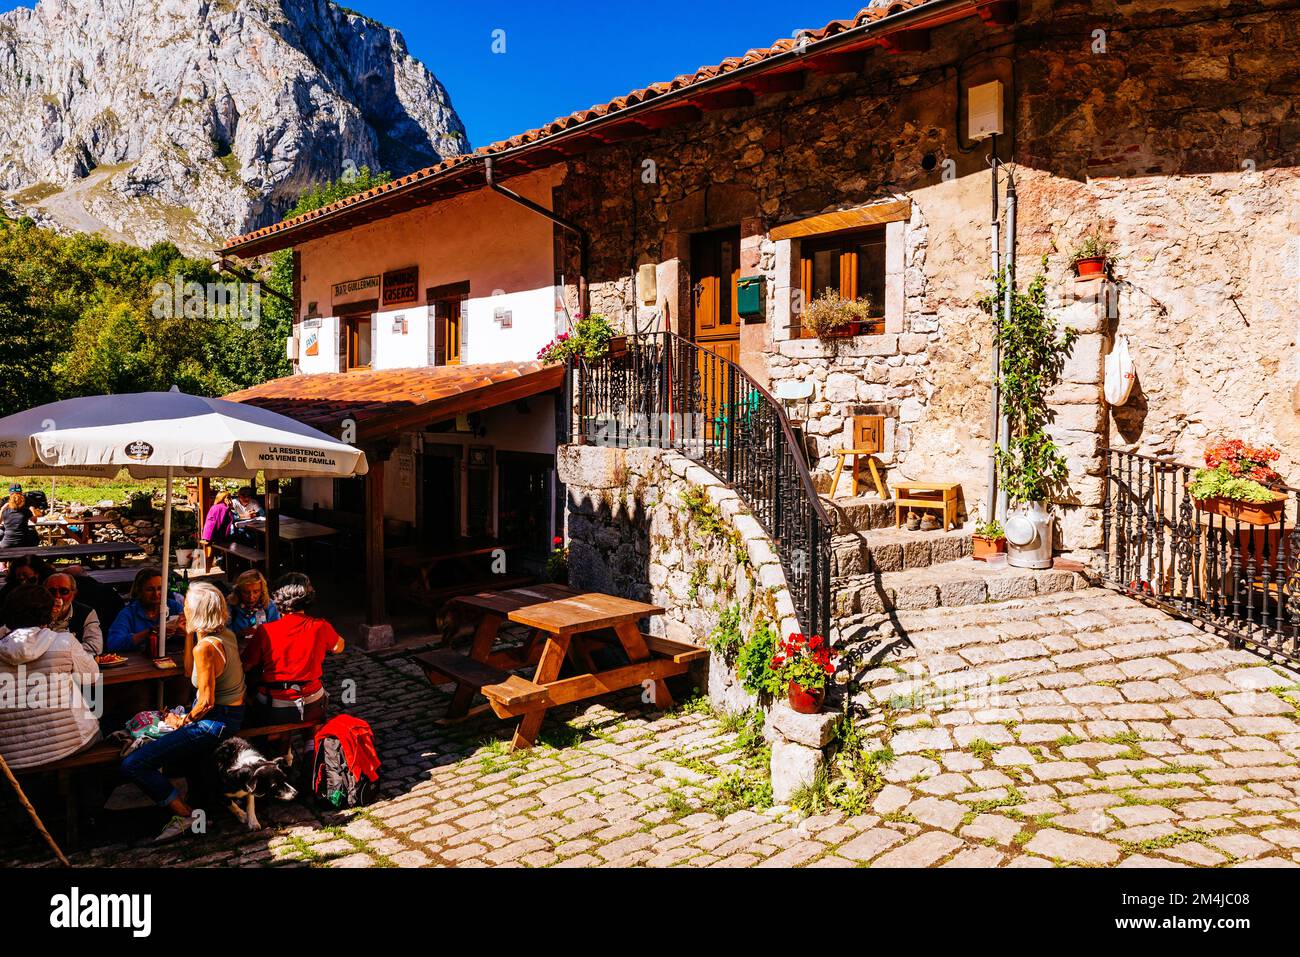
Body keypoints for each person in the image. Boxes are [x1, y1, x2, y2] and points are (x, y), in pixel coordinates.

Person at [120, 582, 245, 842]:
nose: (182, 606)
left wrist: (184, 721)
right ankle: (198, 803)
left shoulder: (207, 648)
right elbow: (190, 671)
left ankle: (186, 815)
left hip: (215, 721)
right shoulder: (223, 635)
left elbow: (207, 702)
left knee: (135, 763)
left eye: (187, 603)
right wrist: (190, 632)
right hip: (229, 715)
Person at [0, 584, 101, 770]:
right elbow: (92, 677)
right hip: (71, 742)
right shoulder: (64, 642)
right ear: (48, 613)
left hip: (11, 755)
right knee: (99, 728)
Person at [241, 573, 342, 725]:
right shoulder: (321, 626)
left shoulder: (265, 631)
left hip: (274, 705)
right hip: (312, 703)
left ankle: (275, 744)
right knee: (313, 703)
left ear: (278, 598)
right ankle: (309, 743)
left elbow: (246, 665)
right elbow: (338, 647)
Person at [104, 567, 183, 654]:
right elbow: (113, 644)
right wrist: (150, 632)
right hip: (138, 664)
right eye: (150, 589)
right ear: (139, 591)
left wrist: (185, 631)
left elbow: (196, 634)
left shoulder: (173, 606)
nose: (156, 594)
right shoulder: (129, 613)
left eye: (160, 588)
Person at [46, 572, 104, 655]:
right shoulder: (34, 613)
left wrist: (57, 654)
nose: (57, 596)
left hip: (75, 665)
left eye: (64, 591)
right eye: (52, 592)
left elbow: (94, 647)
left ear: (74, 593)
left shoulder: (86, 613)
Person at [227, 569, 279, 640]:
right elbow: (225, 637)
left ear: (262, 591)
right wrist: (238, 635)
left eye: (256, 592)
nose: (251, 597)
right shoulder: (230, 607)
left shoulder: (270, 606)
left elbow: (277, 632)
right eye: (246, 592)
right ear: (238, 591)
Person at [200, 490, 235, 561]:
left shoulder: (216, 507)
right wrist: (208, 538)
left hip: (213, 536)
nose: (231, 499)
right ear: (224, 498)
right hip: (219, 537)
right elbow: (212, 523)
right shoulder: (222, 508)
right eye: (229, 498)